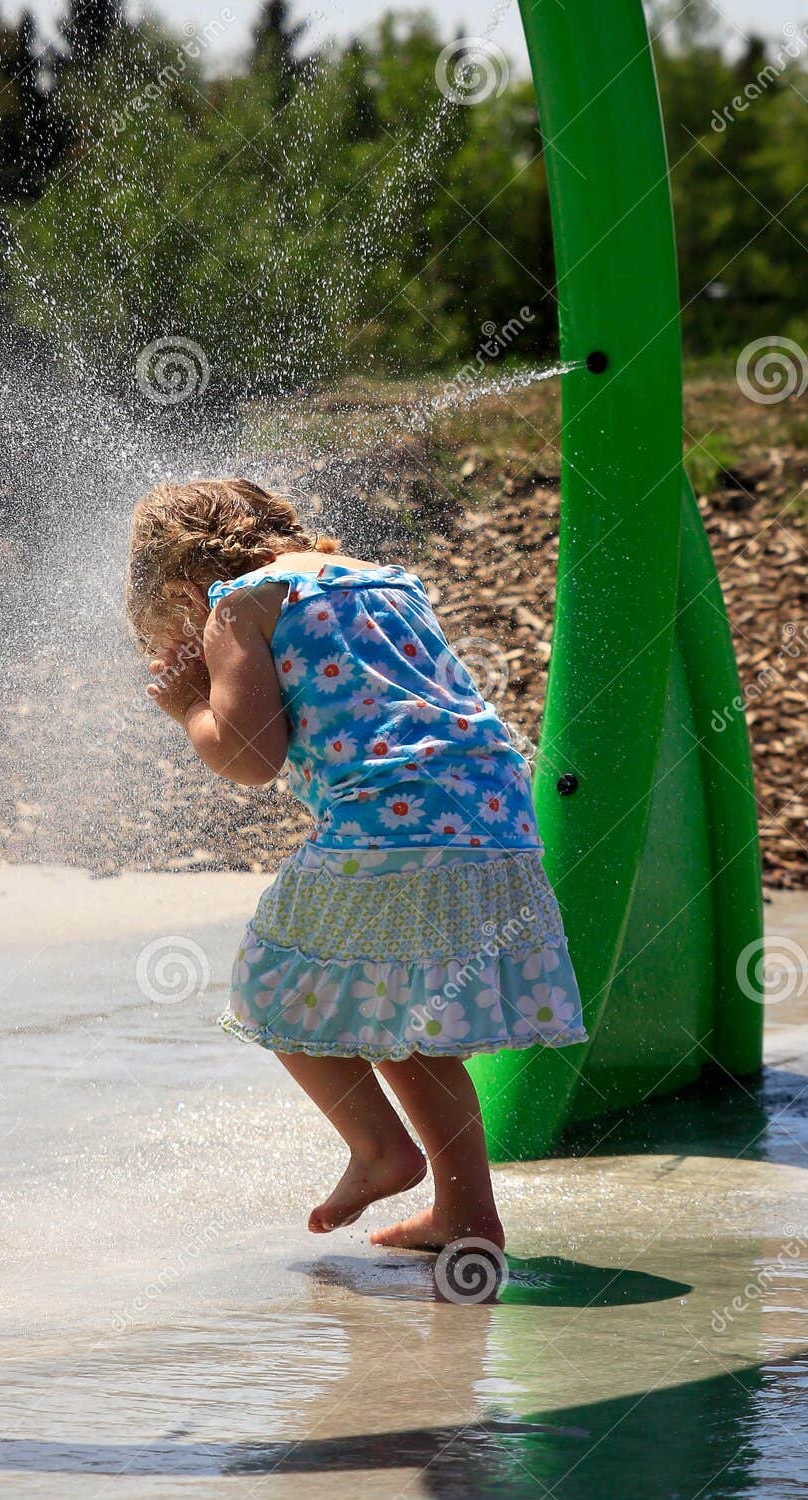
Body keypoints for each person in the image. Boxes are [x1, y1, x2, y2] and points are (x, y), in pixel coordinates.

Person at [127, 477, 586, 1252]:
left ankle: (380, 1151)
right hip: (492, 811)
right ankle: (467, 1219)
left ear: (178, 581)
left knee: (275, 981)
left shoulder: (238, 604)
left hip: (391, 822)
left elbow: (247, 756)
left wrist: (191, 710)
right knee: (400, 1019)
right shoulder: (382, 578)